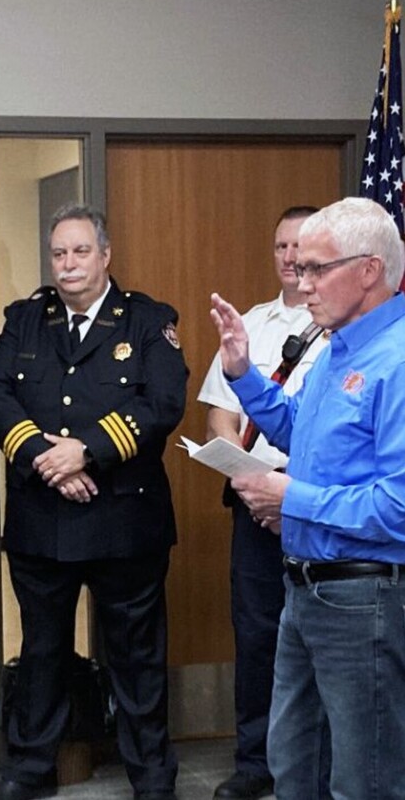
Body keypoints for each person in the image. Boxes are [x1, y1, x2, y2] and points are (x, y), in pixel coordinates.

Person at [0, 206, 186, 800]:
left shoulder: (147, 321)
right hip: (43, 520)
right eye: (59, 254)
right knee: (42, 650)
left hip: (124, 521)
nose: (68, 264)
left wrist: (86, 452)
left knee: (136, 656)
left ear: (105, 255)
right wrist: (49, 459)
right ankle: (29, 770)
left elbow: (163, 404)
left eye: (80, 252)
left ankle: (151, 776)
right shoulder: (25, 320)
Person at [211, 196, 405, 800]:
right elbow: (299, 430)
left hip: (362, 596)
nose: (300, 280)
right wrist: (243, 372)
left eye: (318, 268)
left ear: (369, 270)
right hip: (303, 588)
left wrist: (293, 497)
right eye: (297, 266)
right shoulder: (333, 347)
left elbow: (397, 506)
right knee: (292, 762)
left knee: (363, 778)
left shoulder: (396, 359)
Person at [196, 206, 321, 800]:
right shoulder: (249, 322)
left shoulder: (345, 328)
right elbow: (221, 411)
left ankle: (313, 762)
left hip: (313, 504)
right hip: (253, 504)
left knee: (316, 639)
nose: (291, 257)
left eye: (301, 245)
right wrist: (249, 482)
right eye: (281, 246)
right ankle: (255, 762)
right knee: (256, 635)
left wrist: (288, 489)